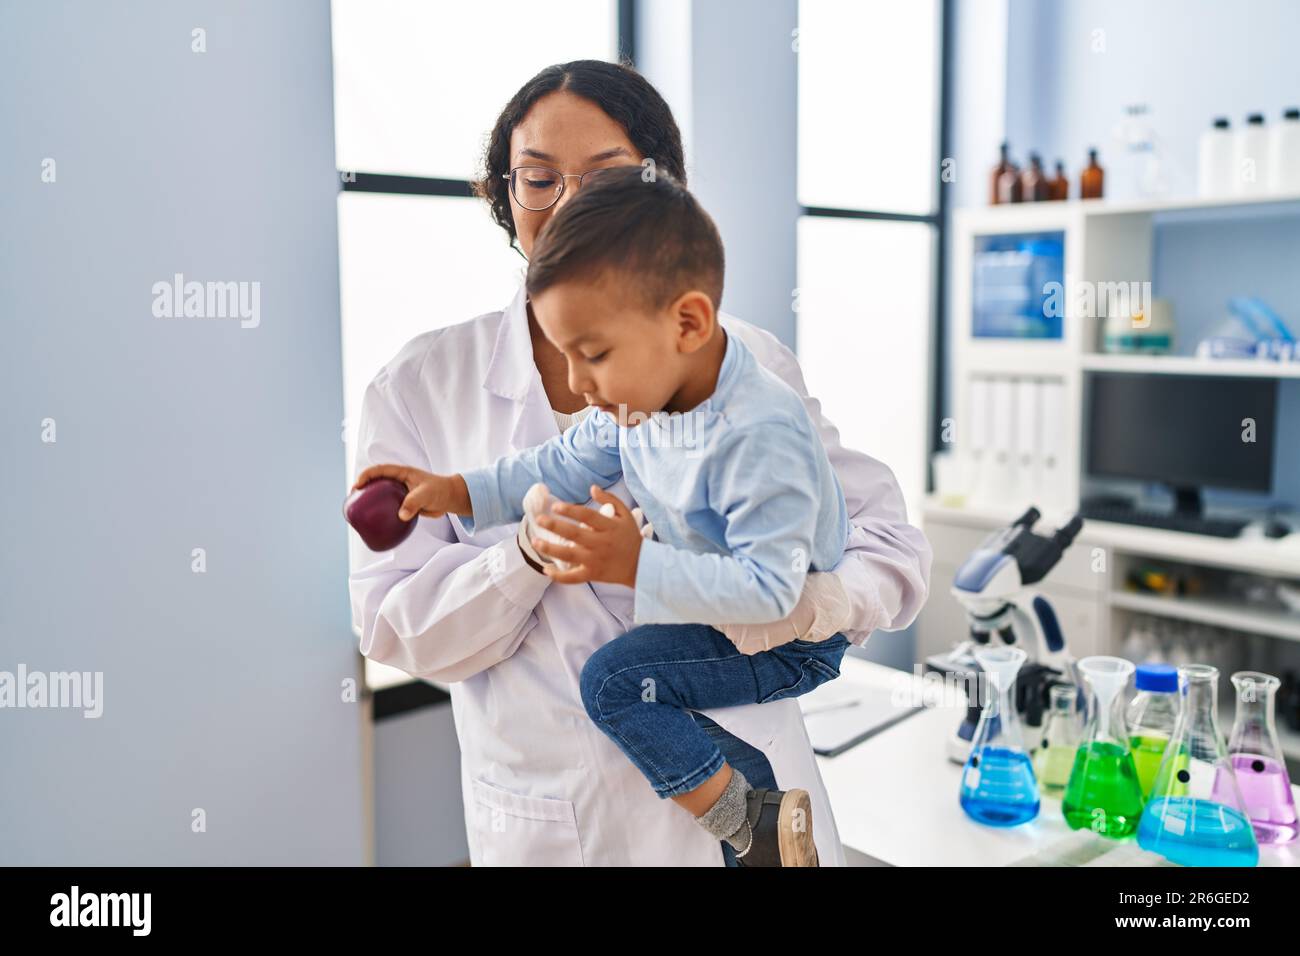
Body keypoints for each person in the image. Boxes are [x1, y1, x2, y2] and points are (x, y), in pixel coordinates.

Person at [348, 59, 931, 866]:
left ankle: (747, 815)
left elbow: (892, 548)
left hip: (761, 795)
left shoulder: (746, 365)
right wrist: (519, 551)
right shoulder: (418, 387)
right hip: (561, 826)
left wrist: (804, 605)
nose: (572, 205)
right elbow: (392, 625)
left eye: (607, 176)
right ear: (503, 196)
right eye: (538, 179)